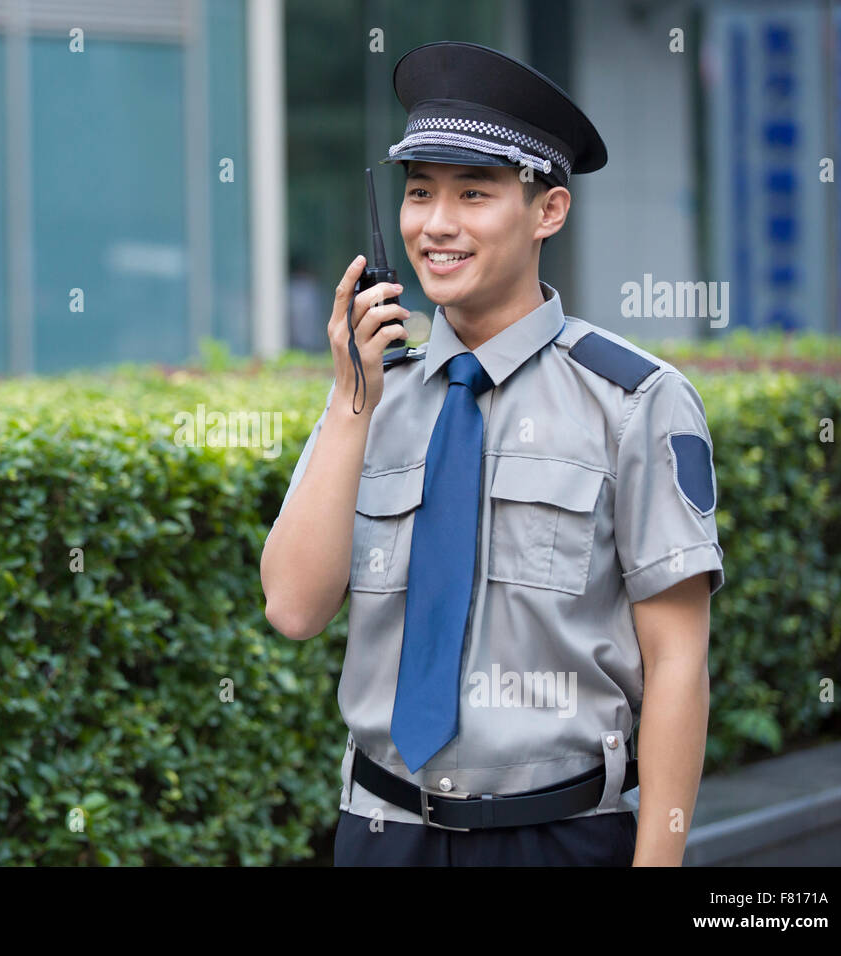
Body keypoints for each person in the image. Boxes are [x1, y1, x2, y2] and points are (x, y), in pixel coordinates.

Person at [259, 41, 724, 866]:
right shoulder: (373, 394)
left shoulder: (633, 403)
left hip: (559, 839)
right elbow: (295, 610)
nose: (437, 225)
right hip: (379, 833)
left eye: (473, 194)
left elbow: (679, 663)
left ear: (547, 210)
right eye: (419, 194)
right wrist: (348, 399)